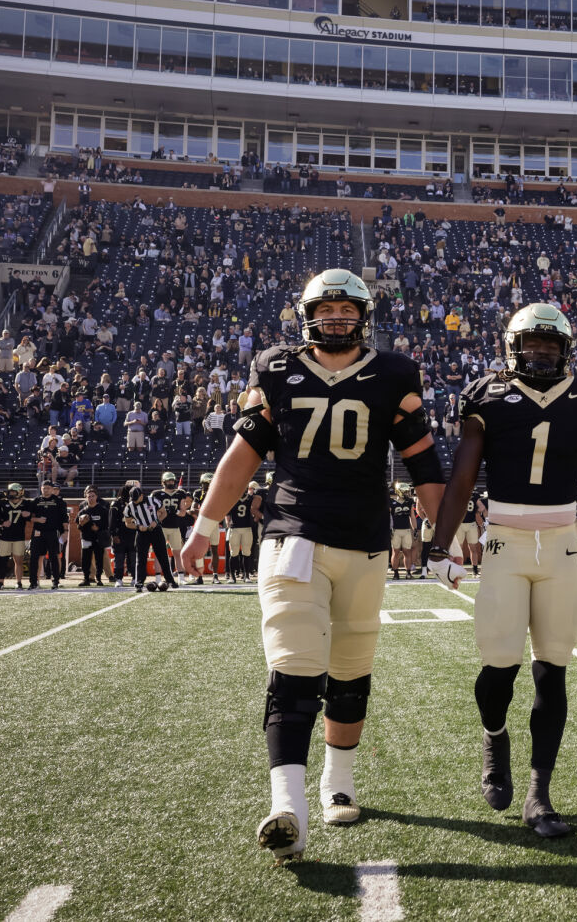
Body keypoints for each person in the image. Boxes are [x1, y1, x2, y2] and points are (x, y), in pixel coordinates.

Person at [178, 269, 446, 863]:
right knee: (294, 672)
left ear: (363, 317)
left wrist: (447, 538)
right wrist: (204, 526)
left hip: (366, 541)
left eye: (346, 310)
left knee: (350, 673)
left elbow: (423, 461)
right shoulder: (275, 367)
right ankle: (287, 807)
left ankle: (337, 781)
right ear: (306, 314)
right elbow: (244, 453)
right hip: (293, 535)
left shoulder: (394, 372)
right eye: (325, 309)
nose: (336, 319)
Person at [427, 304, 577, 838]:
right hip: (506, 543)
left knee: (552, 670)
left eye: (550, 344)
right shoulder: (486, 395)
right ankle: (495, 736)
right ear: (512, 347)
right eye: (531, 343)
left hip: (562, 546)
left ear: (566, 350)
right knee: (499, 668)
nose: (540, 352)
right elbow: (463, 476)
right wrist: (439, 545)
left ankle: (539, 794)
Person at [30, 480, 67, 588]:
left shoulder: (59, 501)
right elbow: (29, 517)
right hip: (38, 533)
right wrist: (38, 519)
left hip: (53, 532)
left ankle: (56, 581)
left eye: (48, 488)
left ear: (52, 489)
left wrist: (65, 532)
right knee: (34, 557)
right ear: (41, 489)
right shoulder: (36, 501)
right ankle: (33, 582)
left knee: (53, 557)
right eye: (44, 488)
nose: (46, 490)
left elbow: (64, 518)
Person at [76, 485, 110, 586]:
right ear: (86, 498)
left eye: (92, 496)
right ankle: (86, 579)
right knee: (86, 560)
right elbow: (78, 525)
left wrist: (98, 528)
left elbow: (107, 524)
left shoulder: (103, 510)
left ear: (96, 497)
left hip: (98, 538)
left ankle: (99, 579)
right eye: (89, 496)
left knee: (99, 559)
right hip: (86, 538)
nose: (91, 498)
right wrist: (81, 524)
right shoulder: (83, 511)